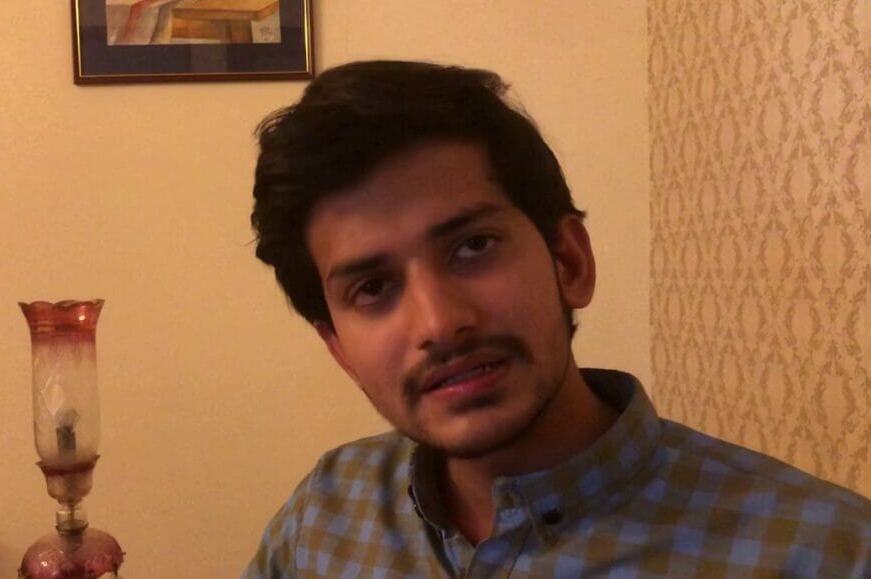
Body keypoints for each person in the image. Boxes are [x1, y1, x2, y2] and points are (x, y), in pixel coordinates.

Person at [243, 60, 870, 577]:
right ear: (339, 349)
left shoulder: (828, 554)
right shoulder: (322, 516)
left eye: (473, 247)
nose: (438, 323)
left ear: (569, 262)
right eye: (373, 288)